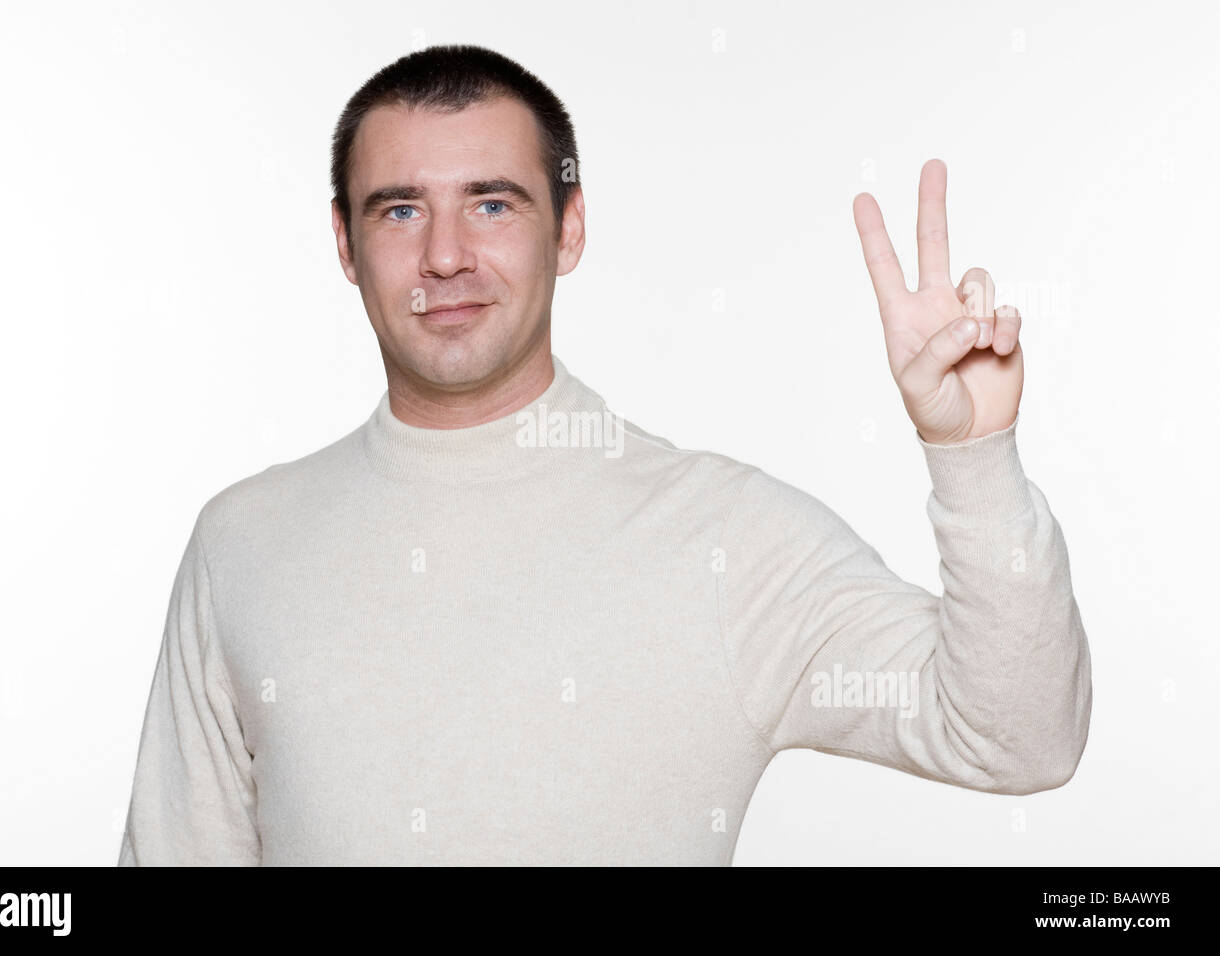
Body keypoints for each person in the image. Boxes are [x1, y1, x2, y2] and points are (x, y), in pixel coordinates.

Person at [117, 44, 1092, 866]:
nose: (446, 255)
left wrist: (974, 454)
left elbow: (1018, 735)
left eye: (493, 204)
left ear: (569, 228)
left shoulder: (724, 537)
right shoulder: (244, 543)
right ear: (344, 241)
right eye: (400, 209)